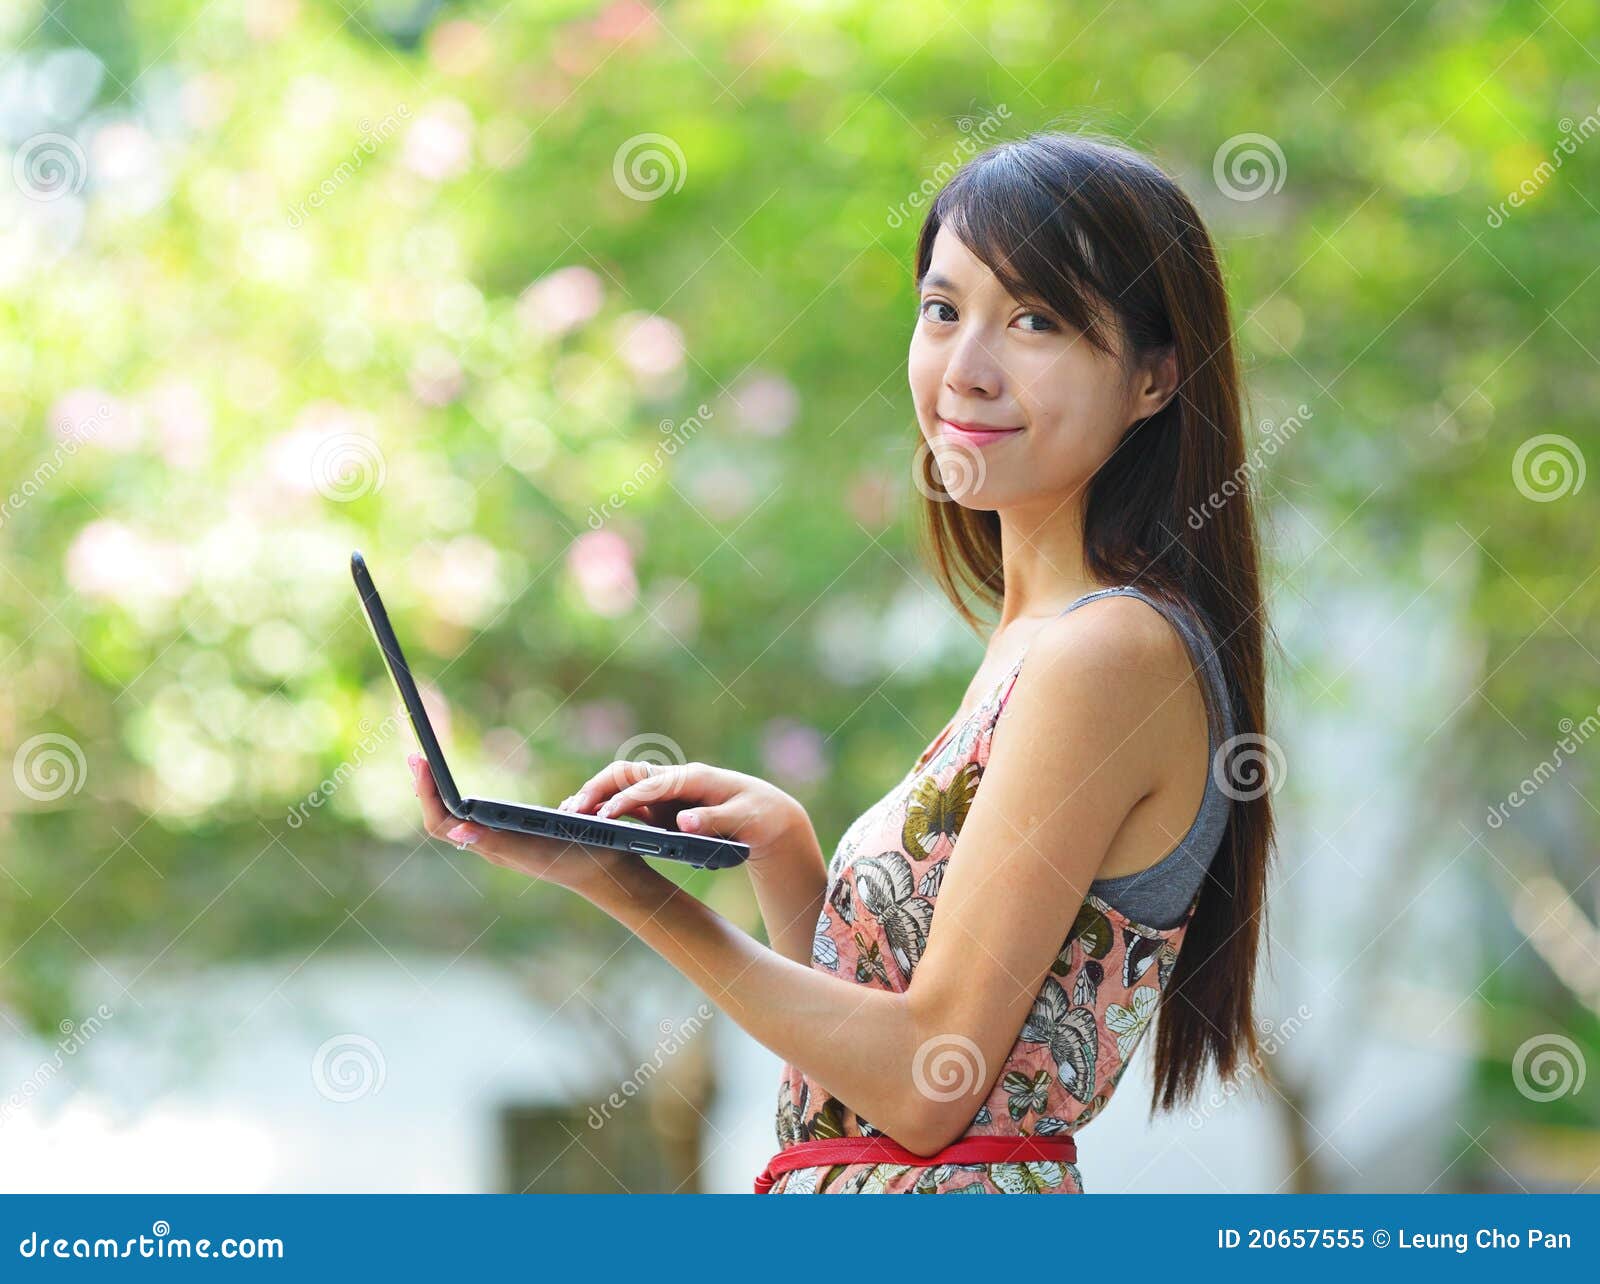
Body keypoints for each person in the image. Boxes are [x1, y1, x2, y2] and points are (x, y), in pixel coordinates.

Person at [408, 130, 1276, 1194]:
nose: (966, 369)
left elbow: (926, 1085)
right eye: (943, 309)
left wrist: (635, 894)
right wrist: (789, 860)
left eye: (1036, 321)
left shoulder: (1107, 653)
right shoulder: (1040, 639)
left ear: (1152, 378)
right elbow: (871, 1069)